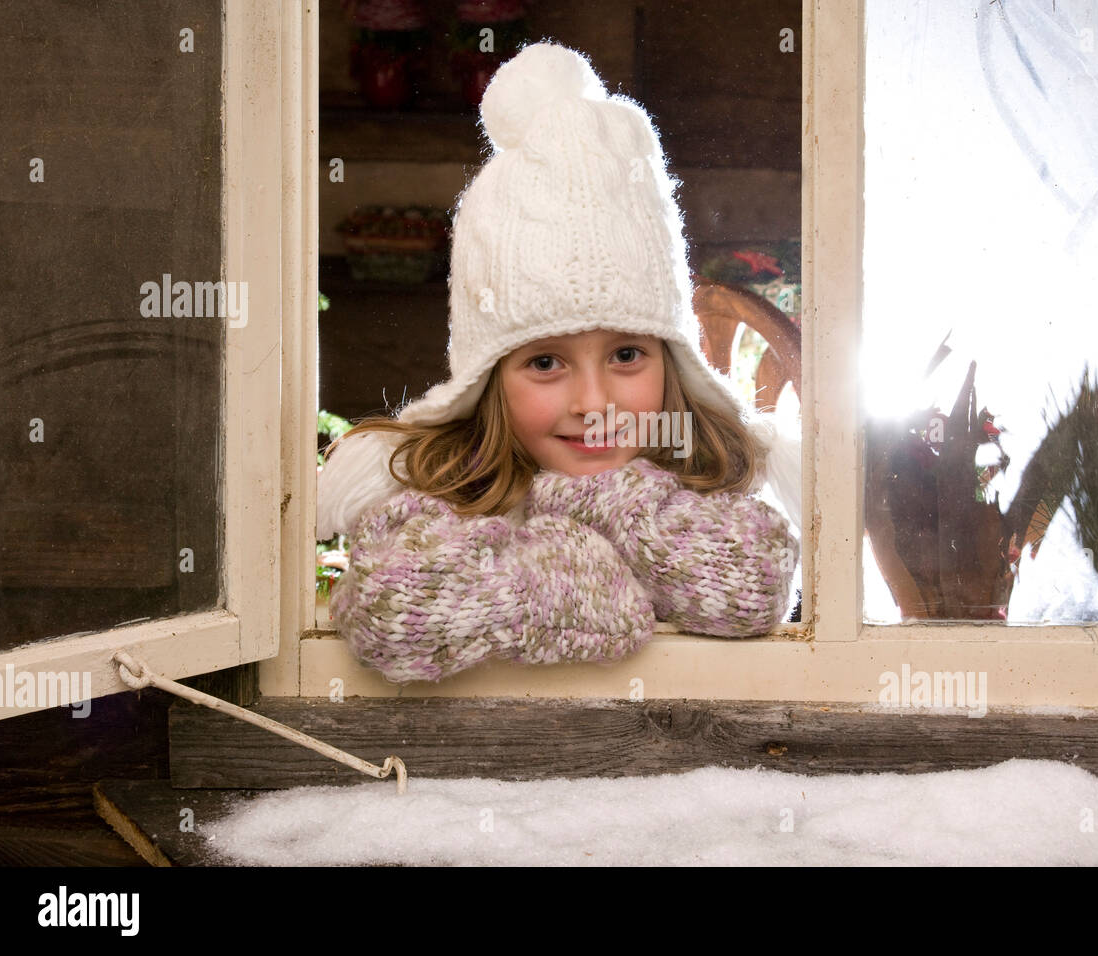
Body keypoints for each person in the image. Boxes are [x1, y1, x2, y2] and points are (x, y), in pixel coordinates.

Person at [316, 42, 803, 684]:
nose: (593, 401)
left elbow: (753, 586)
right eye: (546, 362)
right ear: (489, 380)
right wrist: (567, 577)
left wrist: (609, 502)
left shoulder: (703, 475)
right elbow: (390, 609)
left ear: (672, 362)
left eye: (626, 354)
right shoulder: (450, 484)